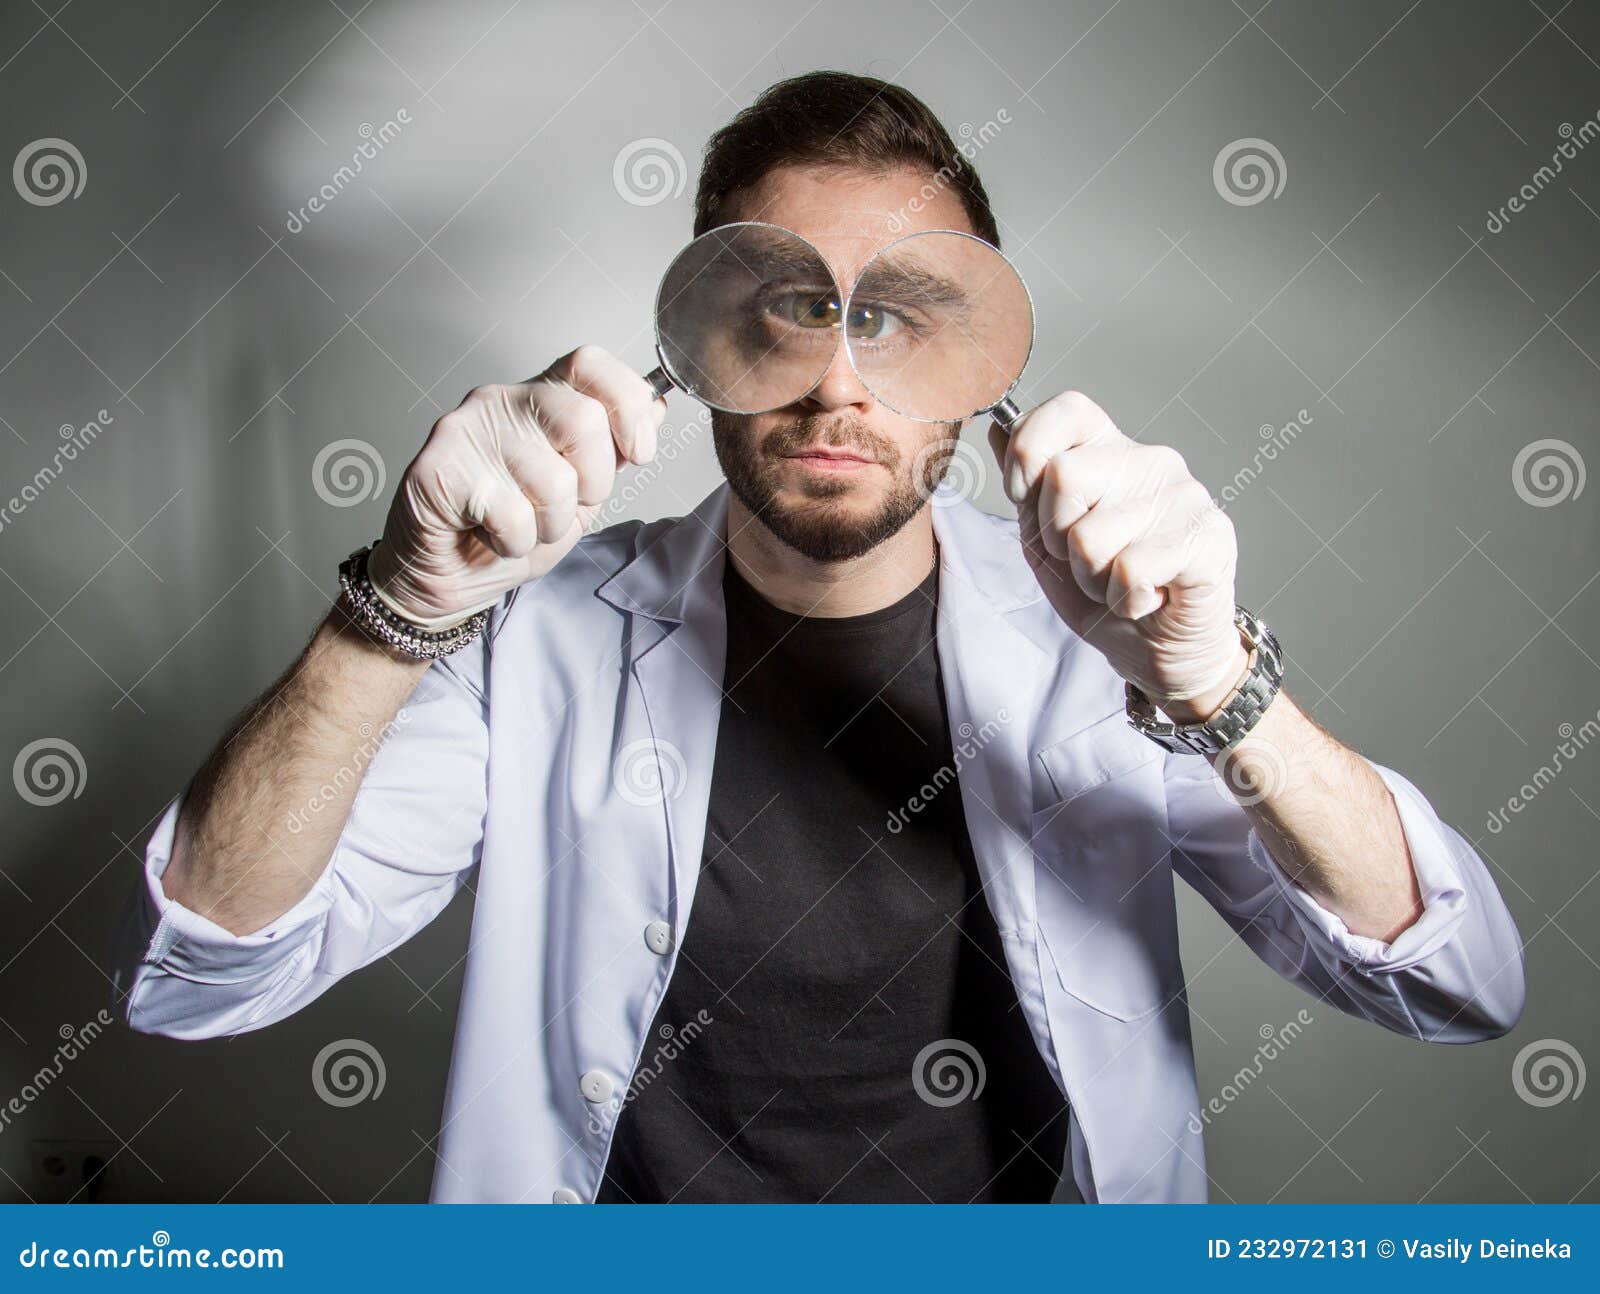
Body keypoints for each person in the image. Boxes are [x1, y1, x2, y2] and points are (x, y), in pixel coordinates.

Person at [114, 70, 1525, 1204]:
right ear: (706, 347)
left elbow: (1456, 981)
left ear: (981, 375)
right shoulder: (535, 636)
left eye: (899, 317)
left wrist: (1215, 682)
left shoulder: (1096, 644)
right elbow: (210, 967)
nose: (838, 378)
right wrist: (403, 606)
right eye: (790, 307)